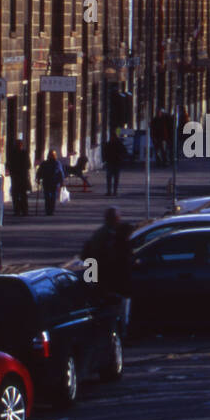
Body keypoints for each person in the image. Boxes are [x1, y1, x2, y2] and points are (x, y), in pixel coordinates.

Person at [80, 207, 134, 335]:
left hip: (107, 283)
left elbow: (87, 257)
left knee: (112, 312)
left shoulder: (103, 235)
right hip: (111, 284)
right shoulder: (110, 237)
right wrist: (93, 279)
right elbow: (93, 257)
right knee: (115, 313)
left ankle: (115, 334)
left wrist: (91, 279)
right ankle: (117, 335)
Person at [7, 137, 32, 216]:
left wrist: (12, 171)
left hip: (15, 177)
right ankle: (24, 210)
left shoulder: (12, 154)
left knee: (16, 194)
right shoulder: (24, 153)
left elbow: (8, 165)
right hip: (22, 177)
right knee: (23, 194)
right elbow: (29, 165)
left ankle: (17, 210)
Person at [36, 149, 65, 215]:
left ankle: (51, 210)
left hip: (54, 182)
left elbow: (61, 173)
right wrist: (38, 178)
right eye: (50, 155)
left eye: (53, 155)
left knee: (53, 196)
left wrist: (62, 182)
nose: (52, 156)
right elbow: (40, 171)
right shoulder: (44, 163)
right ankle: (47, 210)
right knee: (47, 196)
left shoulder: (57, 163)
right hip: (46, 181)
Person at [102, 129, 125, 196]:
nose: (112, 138)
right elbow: (105, 152)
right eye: (111, 137)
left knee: (116, 178)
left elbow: (124, 152)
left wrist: (121, 158)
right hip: (110, 162)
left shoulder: (119, 144)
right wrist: (105, 159)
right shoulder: (109, 144)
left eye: (113, 137)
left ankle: (114, 191)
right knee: (109, 177)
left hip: (117, 162)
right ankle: (109, 191)